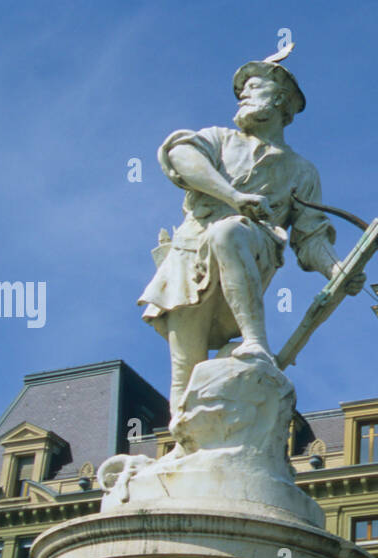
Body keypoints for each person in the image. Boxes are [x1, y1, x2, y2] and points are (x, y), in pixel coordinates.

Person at [138, 51, 365, 415]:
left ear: (280, 100)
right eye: (241, 89)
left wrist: (337, 270)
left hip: (247, 249)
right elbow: (180, 155)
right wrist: (232, 196)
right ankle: (186, 442)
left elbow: (311, 238)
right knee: (184, 379)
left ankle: (255, 341)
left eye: (254, 85)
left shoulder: (301, 171)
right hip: (187, 260)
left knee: (228, 232)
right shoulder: (219, 139)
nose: (243, 93)